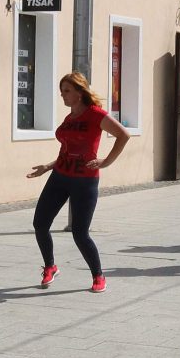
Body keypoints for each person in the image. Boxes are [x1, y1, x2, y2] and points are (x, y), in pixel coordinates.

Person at [28, 72, 129, 292]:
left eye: (67, 91)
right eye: (61, 91)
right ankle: (50, 266)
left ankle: (98, 275)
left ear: (80, 92)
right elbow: (67, 151)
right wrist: (48, 166)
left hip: (84, 181)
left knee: (80, 233)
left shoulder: (95, 114)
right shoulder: (69, 118)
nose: (62, 95)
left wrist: (106, 162)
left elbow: (123, 135)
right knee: (40, 224)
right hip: (60, 176)